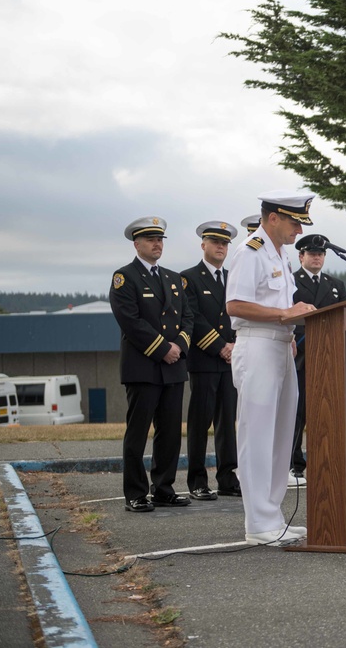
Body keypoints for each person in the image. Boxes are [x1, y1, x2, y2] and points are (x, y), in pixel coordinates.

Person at [225, 190, 318, 547]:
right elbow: (235, 304)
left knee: (281, 435)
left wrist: (289, 321)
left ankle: (273, 516)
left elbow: (278, 302)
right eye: (295, 222)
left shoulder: (280, 253)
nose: (299, 230)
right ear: (274, 217)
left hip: (281, 344)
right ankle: (258, 523)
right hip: (258, 344)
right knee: (257, 435)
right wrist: (284, 314)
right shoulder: (250, 251)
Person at [109, 217, 193, 513]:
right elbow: (130, 322)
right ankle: (135, 493)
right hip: (143, 367)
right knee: (138, 433)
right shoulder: (125, 277)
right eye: (150, 240)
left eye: (160, 240)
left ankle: (164, 489)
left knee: (170, 433)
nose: (157, 244)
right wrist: (162, 350)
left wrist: (179, 347)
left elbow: (188, 318)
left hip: (173, 368)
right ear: (137, 244)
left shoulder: (173, 278)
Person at [181, 221, 240, 501]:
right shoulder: (188, 278)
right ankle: (197, 481)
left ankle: (228, 479)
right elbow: (193, 318)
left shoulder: (234, 277)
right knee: (200, 423)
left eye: (225, 243)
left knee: (227, 423)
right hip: (205, 360)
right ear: (203, 245)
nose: (221, 247)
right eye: (215, 242)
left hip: (231, 361)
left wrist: (235, 346)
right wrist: (220, 347)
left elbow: (239, 315)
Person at [289, 233, 346, 486]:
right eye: (312, 254)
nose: (317, 257)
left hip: (329, 357)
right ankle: (294, 464)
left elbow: (344, 316)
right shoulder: (291, 283)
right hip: (301, 356)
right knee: (298, 413)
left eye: (321, 254)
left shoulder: (336, 284)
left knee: (326, 413)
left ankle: (325, 461)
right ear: (301, 256)